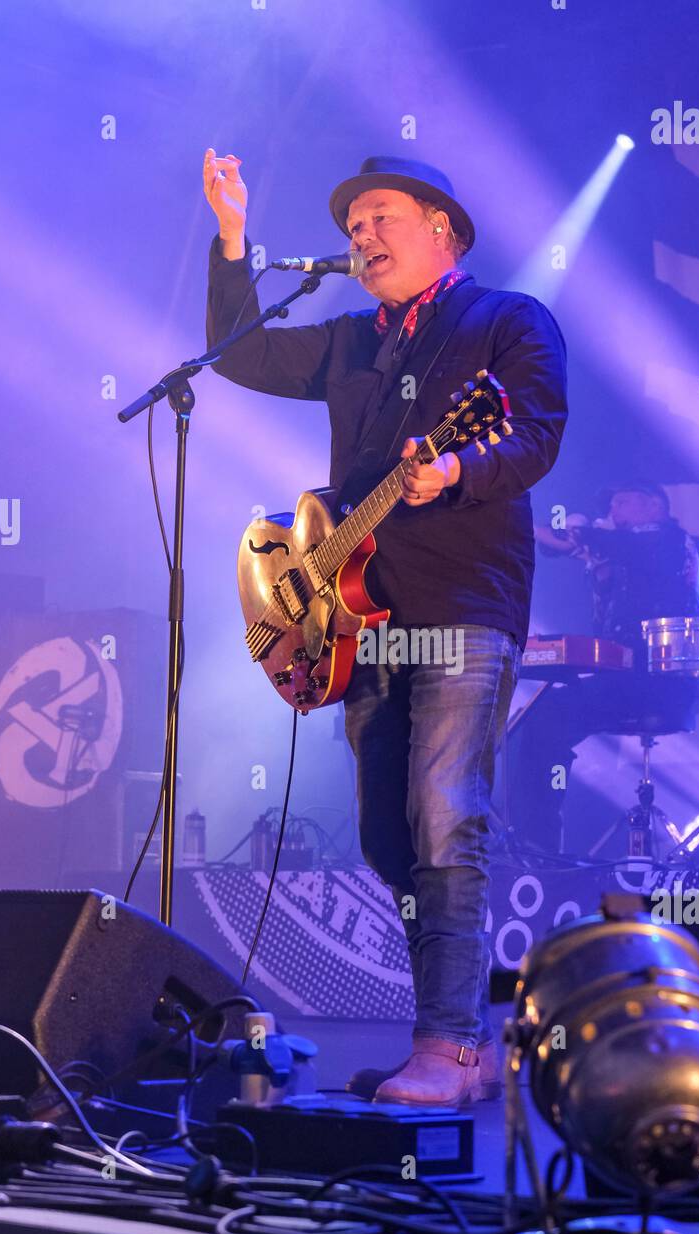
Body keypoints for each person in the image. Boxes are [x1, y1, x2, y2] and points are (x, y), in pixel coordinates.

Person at [203, 151, 568, 1104]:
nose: (360, 237)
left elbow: (535, 433)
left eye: (378, 218)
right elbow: (239, 354)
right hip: (359, 620)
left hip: (463, 602)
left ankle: (446, 1048)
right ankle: (461, 1045)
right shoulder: (351, 343)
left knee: (447, 817)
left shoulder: (506, 320)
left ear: (442, 227)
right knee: (385, 836)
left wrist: (455, 471)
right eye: (352, 226)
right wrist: (235, 238)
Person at [507, 480, 699, 856]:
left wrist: (583, 532)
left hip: (659, 682)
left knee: (547, 720)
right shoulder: (621, 546)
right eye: (612, 504)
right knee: (538, 720)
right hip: (622, 678)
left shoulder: (669, 541)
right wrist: (529, 528)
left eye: (623, 501)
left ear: (653, 507)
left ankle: (539, 844)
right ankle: (534, 840)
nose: (614, 511)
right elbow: (559, 546)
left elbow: (609, 543)